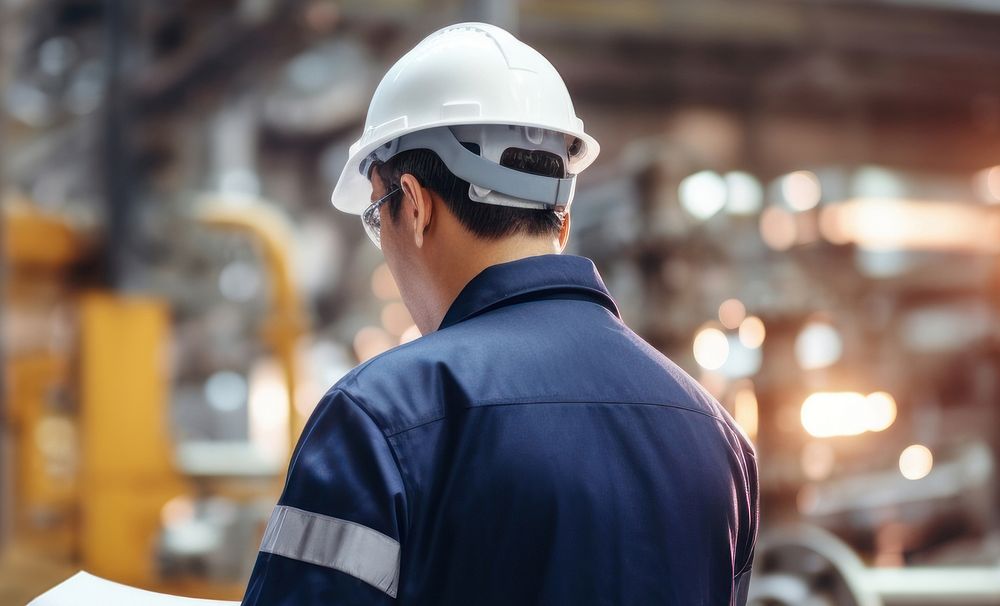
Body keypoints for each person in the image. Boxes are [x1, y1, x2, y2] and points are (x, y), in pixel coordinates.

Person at [241, 22, 758, 606]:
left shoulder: (380, 419)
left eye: (374, 216)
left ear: (412, 205)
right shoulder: (718, 437)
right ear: (562, 214)